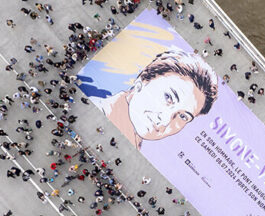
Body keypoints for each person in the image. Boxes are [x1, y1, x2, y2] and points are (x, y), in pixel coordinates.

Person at [88, 47, 218, 150]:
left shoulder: (133, 141)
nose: (166, 120)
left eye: (183, 117)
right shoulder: (96, 112)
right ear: (142, 82)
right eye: (168, 97)